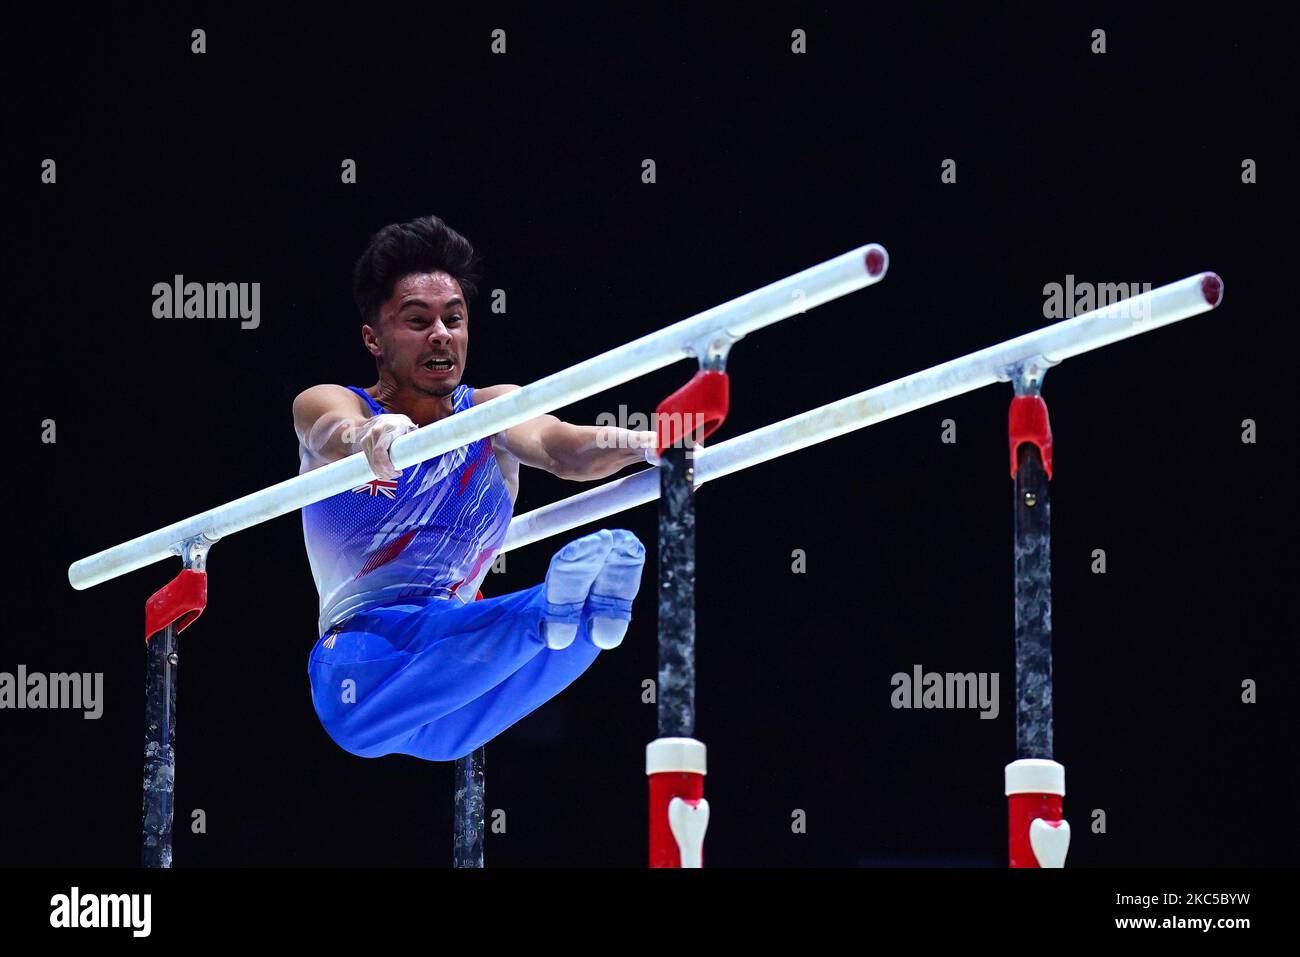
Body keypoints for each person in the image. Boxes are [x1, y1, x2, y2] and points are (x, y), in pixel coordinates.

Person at [294, 215, 657, 761]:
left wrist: (644, 444)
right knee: (357, 721)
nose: (441, 333)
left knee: (542, 652)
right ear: (373, 338)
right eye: (417, 320)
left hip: (459, 655)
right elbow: (332, 432)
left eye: (454, 319)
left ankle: (582, 611)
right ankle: (553, 610)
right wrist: (371, 433)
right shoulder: (330, 401)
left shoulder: (490, 410)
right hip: (368, 650)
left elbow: (561, 447)